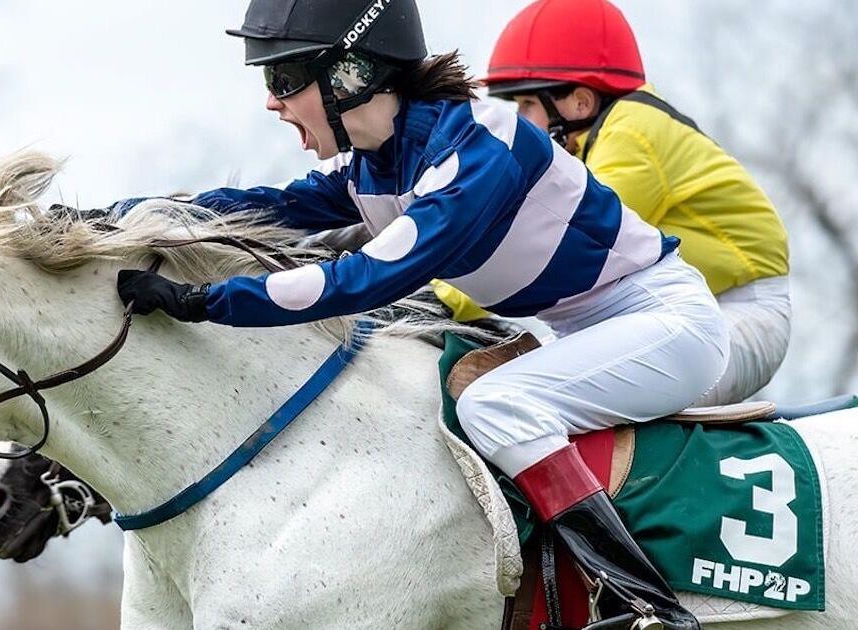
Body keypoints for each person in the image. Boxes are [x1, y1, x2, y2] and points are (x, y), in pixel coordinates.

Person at [116, 1, 723, 627]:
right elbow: (259, 208)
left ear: (351, 73)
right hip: (594, 332)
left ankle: (645, 606)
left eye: (284, 78)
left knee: (494, 403)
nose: (273, 102)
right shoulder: (378, 166)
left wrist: (207, 303)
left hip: (665, 325)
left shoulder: (479, 151)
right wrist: (121, 216)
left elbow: (366, 278)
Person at [432, 0, 790, 406]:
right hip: (669, 309)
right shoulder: (598, 140)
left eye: (528, 104)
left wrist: (440, 296)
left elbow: (546, 244)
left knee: (551, 394)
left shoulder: (633, 133)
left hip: (739, 316)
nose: (523, 121)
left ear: (580, 102)